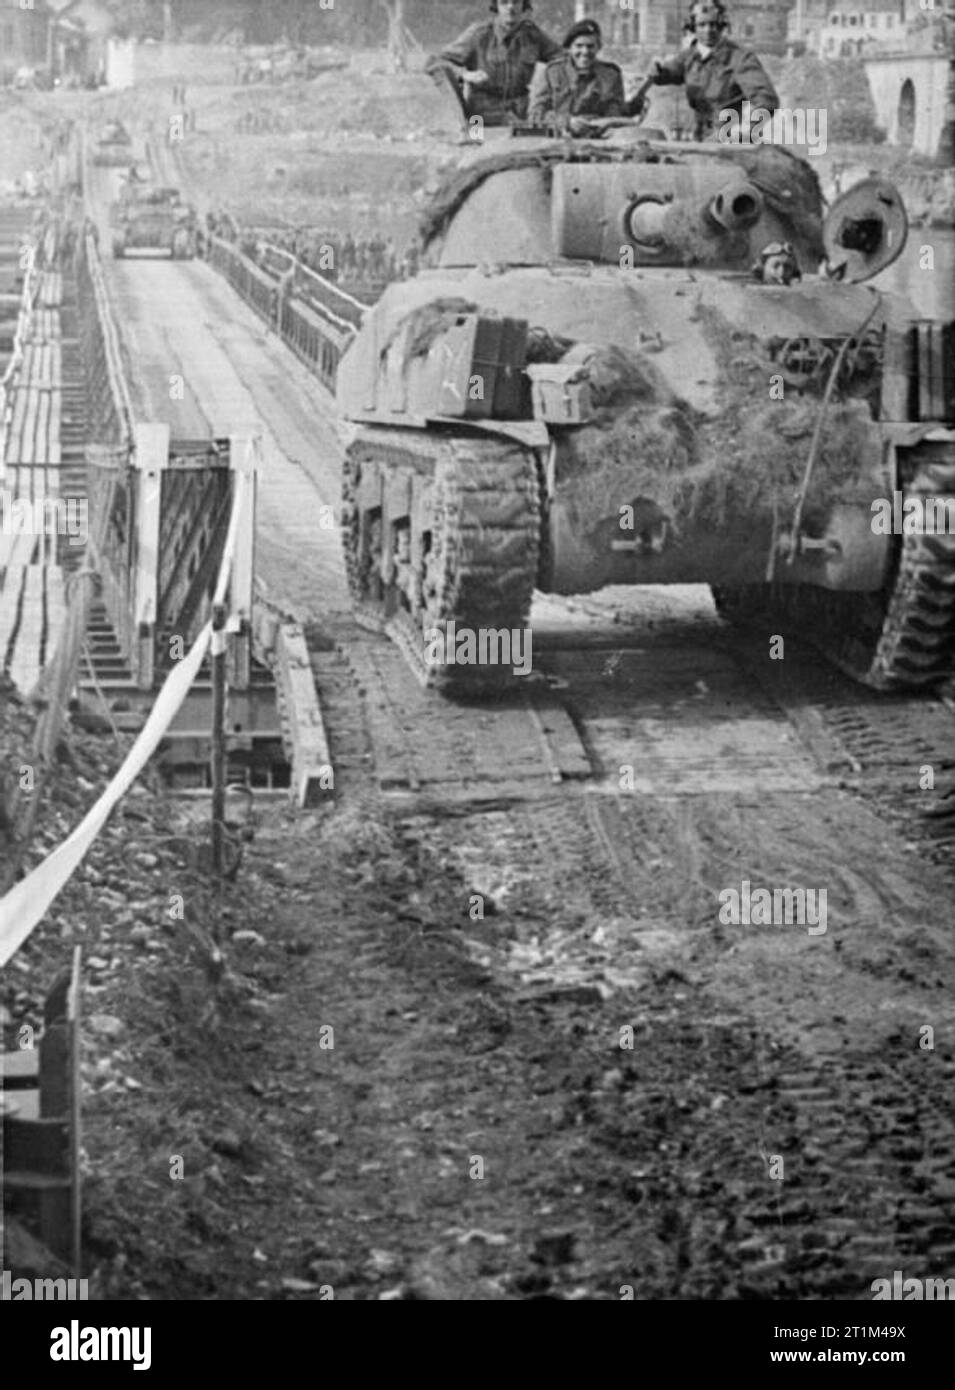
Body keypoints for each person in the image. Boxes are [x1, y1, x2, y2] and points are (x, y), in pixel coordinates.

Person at [647, 1, 779, 142]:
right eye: (702, 25)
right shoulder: (690, 56)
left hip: (728, 140)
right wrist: (658, 71)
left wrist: (745, 128)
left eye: (714, 25)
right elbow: (668, 73)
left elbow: (767, 100)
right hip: (697, 137)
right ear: (692, 27)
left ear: (723, 26)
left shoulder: (740, 58)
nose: (708, 30)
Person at [426, 0, 561, 124]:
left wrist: (548, 85)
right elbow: (435, 61)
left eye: (516, 2)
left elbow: (563, 58)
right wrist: (464, 74)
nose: (510, 7)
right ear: (496, 5)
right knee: (475, 147)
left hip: (519, 115)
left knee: (524, 148)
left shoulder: (533, 35)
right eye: (504, 2)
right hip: (479, 116)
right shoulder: (479, 34)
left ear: (523, 5)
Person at [527, 18, 625, 135]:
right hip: (558, 140)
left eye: (590, 46)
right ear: (569, 48)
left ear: (598, 47)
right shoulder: (553, 72)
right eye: (579, 46)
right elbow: (535, 114)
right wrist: (566, 122)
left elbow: (615, 113)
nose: (585, 51)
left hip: (597, 141)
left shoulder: (611, 75)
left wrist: (601, 124)